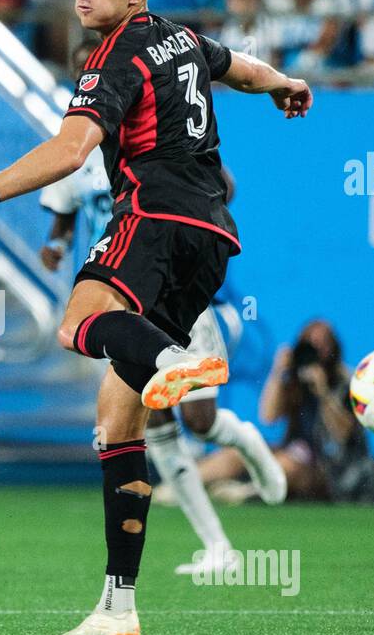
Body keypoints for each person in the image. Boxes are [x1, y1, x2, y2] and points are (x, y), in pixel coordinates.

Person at [0, 0, 311, 635]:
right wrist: (283, 83)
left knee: (79, 319)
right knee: (117, 422)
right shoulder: (180, 38)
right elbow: (238, 68)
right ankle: (118, 608)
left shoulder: (114, 55)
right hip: (214, 236)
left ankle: (173, 362)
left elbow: (70, 151)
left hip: (153, 218)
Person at [39, 42, 286, 576]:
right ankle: (218, 547)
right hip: (126, 296)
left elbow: (224, 186)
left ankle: (245, 442)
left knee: (202, 421)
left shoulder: (162, 134)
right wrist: (56, 246)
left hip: (178, 298)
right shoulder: (75, 149)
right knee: (156, 434)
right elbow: (62, 211)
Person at [199, 319, 374, 503]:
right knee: (239, 451)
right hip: (295, 456)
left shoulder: (348, 381)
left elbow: (342, 435)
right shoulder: (296, 379)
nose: (317, 350)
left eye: (324, 343)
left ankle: (244, 493)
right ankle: (181, 486)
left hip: (335, 473)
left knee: (289, 463)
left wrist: (323, 392)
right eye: (311, 343)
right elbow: (268, 416)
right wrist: (277, 372)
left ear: (334, 348)